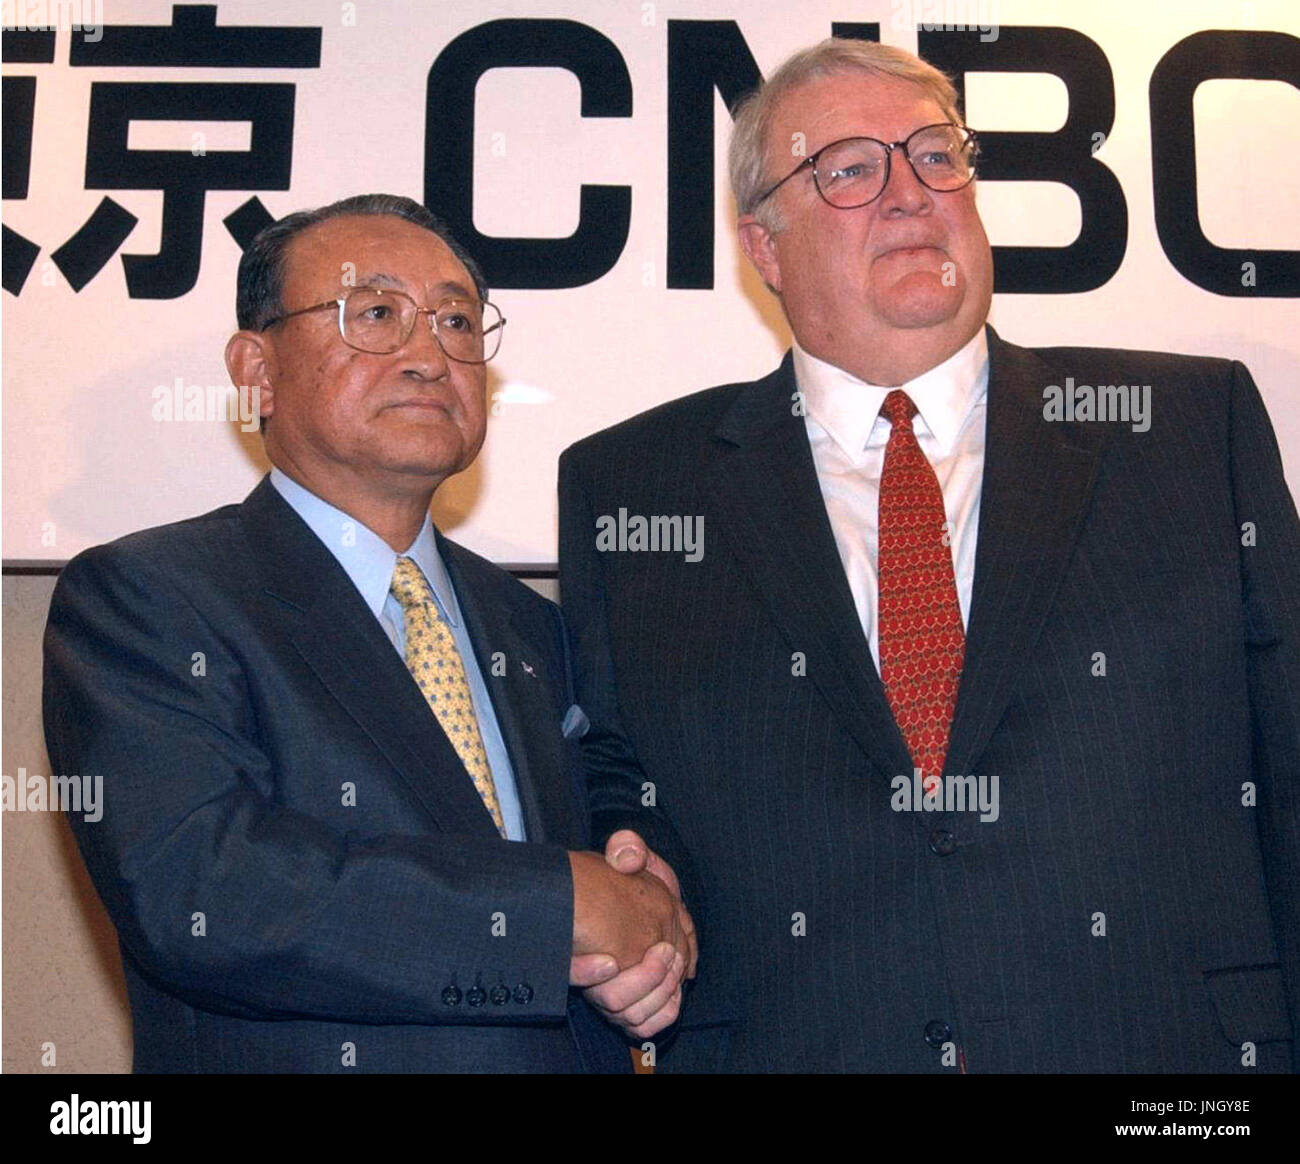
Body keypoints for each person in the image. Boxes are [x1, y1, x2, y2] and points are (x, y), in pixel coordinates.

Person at [558, 40, 1298, 1072]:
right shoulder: (633, 487)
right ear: (764, 247)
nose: (909, 193)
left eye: (936, 155)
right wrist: (640, 881)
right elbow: (613, 776)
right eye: (850, 170)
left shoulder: (1183, 429)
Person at [43, 193, 694, 1073]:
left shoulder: (533, 626)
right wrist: (558, 909)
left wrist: (644, 894)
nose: (429, 355)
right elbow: (203, 889)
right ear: (256, 369)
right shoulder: (148, 597)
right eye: (377, 314)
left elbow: (607, 823)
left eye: (457, 322)